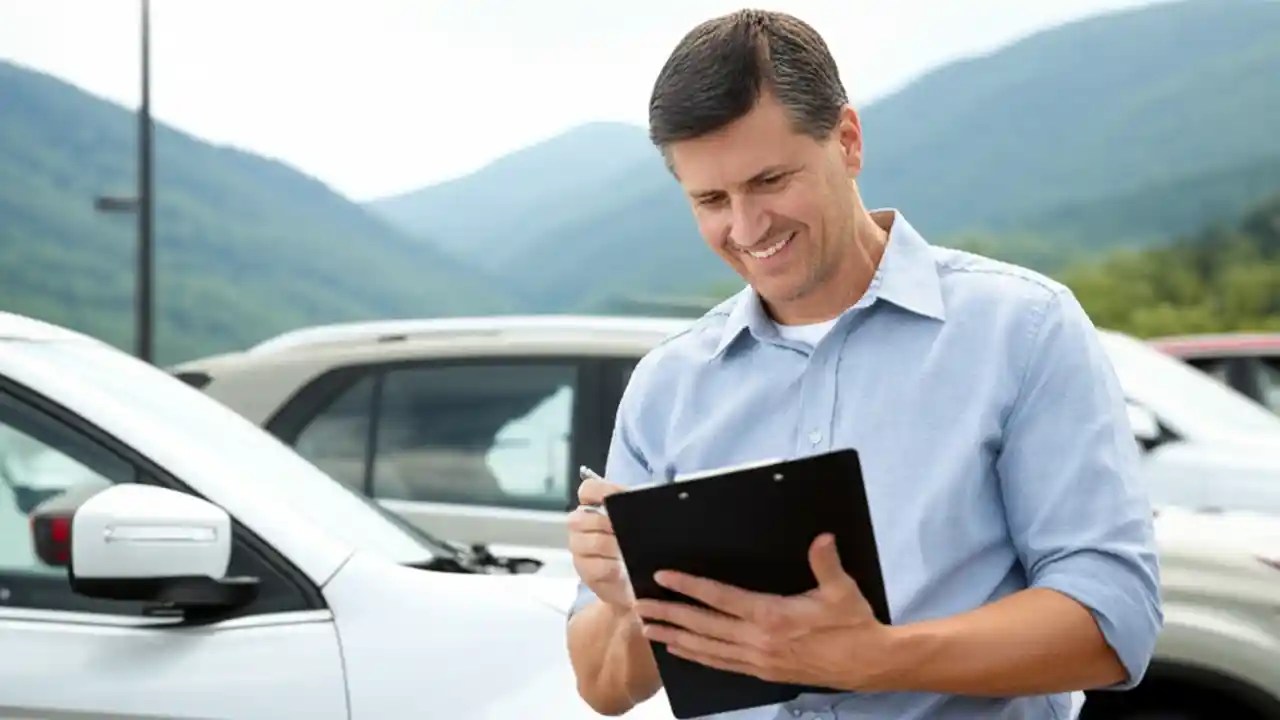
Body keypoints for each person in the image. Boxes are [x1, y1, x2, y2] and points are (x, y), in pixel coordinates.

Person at [565, 9, 1162, 720]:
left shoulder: (1023, 329)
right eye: (712, 200)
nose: (747, 228)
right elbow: (603, 687)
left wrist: (880, 657)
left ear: (847, 141)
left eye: (770, 180)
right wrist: (633, 601)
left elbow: (1114, 617)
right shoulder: (667, 385)